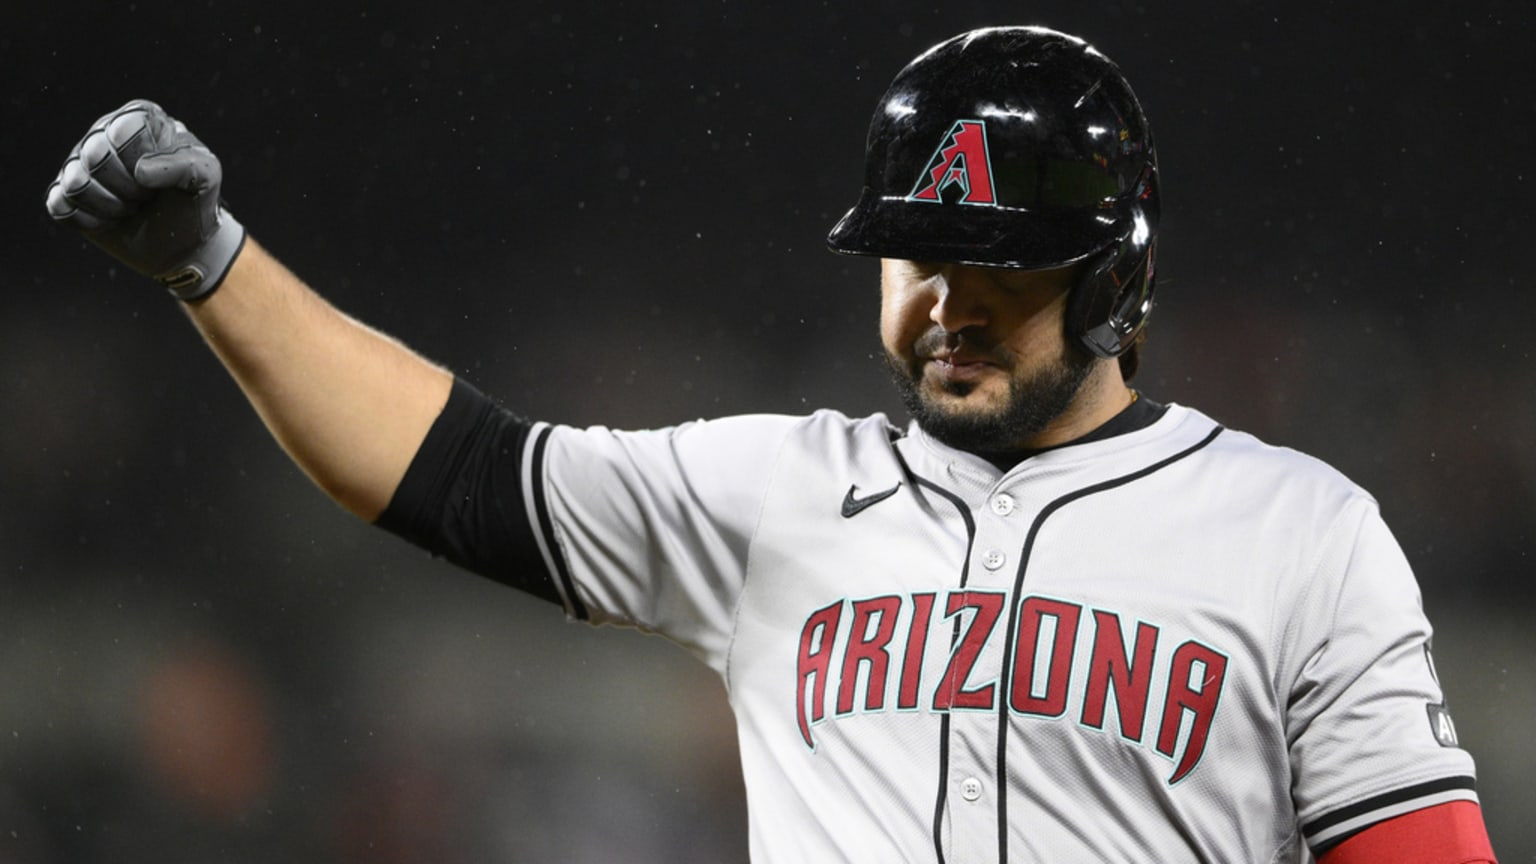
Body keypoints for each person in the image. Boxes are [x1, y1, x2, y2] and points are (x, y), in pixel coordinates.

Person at [45, 25, 1495, 864]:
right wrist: (211, 265)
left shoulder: (1303, 534)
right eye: (916, 258)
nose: (944, 306)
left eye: (999, 267)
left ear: (1119, 274)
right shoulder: (778, 495)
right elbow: (457, 472)